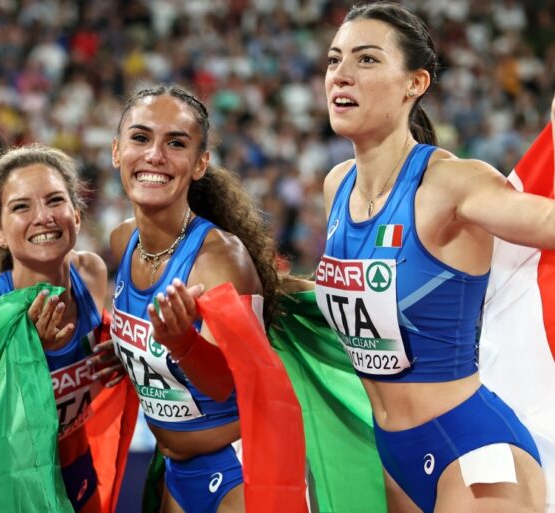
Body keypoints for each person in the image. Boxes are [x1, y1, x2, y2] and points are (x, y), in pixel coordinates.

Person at [317, 3, 553, 512]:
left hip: (473, 451)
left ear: (415, 83)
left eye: (367, 60)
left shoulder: (449, 184)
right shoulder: (337, 187)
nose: (342, 74)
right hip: (394, 454)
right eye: (335, 60)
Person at [109, 84, 282, 513]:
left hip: (243, 467)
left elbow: (237, 386)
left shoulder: (221, 260)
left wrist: (184, 343)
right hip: (177, 473)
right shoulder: (122, 241)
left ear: (200, 163)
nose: (154, 155)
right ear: (116, 151)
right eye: (140, 138)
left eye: (176, 143)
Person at [0, 144, 127, 513]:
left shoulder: (91, 274)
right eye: (21, 206)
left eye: (55, 201)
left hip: (77, 474)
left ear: (75, 215)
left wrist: (121, 359)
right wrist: (23, 360)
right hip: (3, 488)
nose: (43, 217)